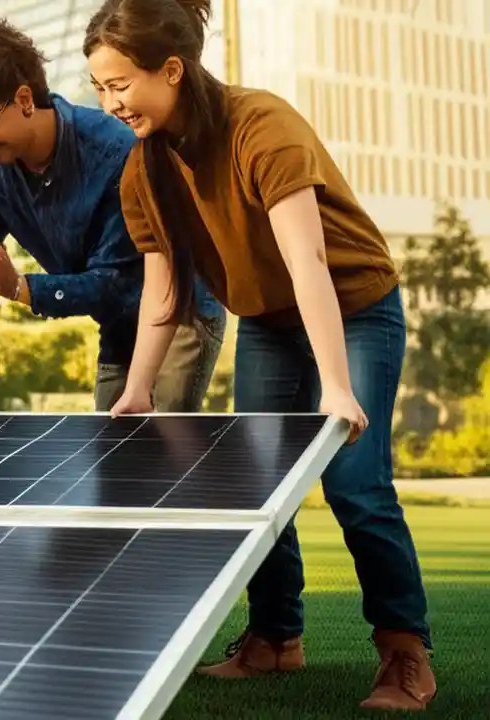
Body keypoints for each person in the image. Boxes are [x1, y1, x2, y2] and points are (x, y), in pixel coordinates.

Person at [84, 0, 435, 711]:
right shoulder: (144, 170)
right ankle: (275, 640)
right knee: (255, 490)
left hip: (355, 305)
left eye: (119, 84)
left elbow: (307, 261)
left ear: (172, 70)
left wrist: (335, 387)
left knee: (356, 484)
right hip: (269, 324)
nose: (109, 102)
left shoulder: (260, 125)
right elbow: (163, 294)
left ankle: (405, 654)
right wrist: (138, 390)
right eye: (98, 87)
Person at [0, 19, 225, 413]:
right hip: (118, 328)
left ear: (25, 99)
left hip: (179, 314)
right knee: (115, 459)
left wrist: (21, 287)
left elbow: (113, 282)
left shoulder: (117, 152)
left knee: (163, 451)